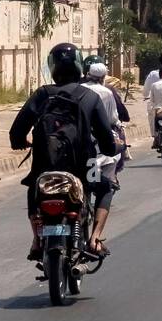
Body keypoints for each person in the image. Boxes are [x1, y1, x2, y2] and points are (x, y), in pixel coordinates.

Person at [9, 43, 116, 260]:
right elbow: (106, 140)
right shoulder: (90, 97)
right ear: (78, 66)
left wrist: (21, 142)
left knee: (34, 190)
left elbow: (17, 131)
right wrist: (111, 148)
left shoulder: (42, 95)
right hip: (85, 166)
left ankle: (37, 239)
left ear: (53, 67)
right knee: (106, 188)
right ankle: (94, 239)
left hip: (45, 165)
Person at [82, 61, 127, 253]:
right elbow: (111, 120)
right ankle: (95, 238)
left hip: (69, 157)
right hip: (94, 153)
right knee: (105, 187)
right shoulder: (106, 93)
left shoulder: (73, 91)